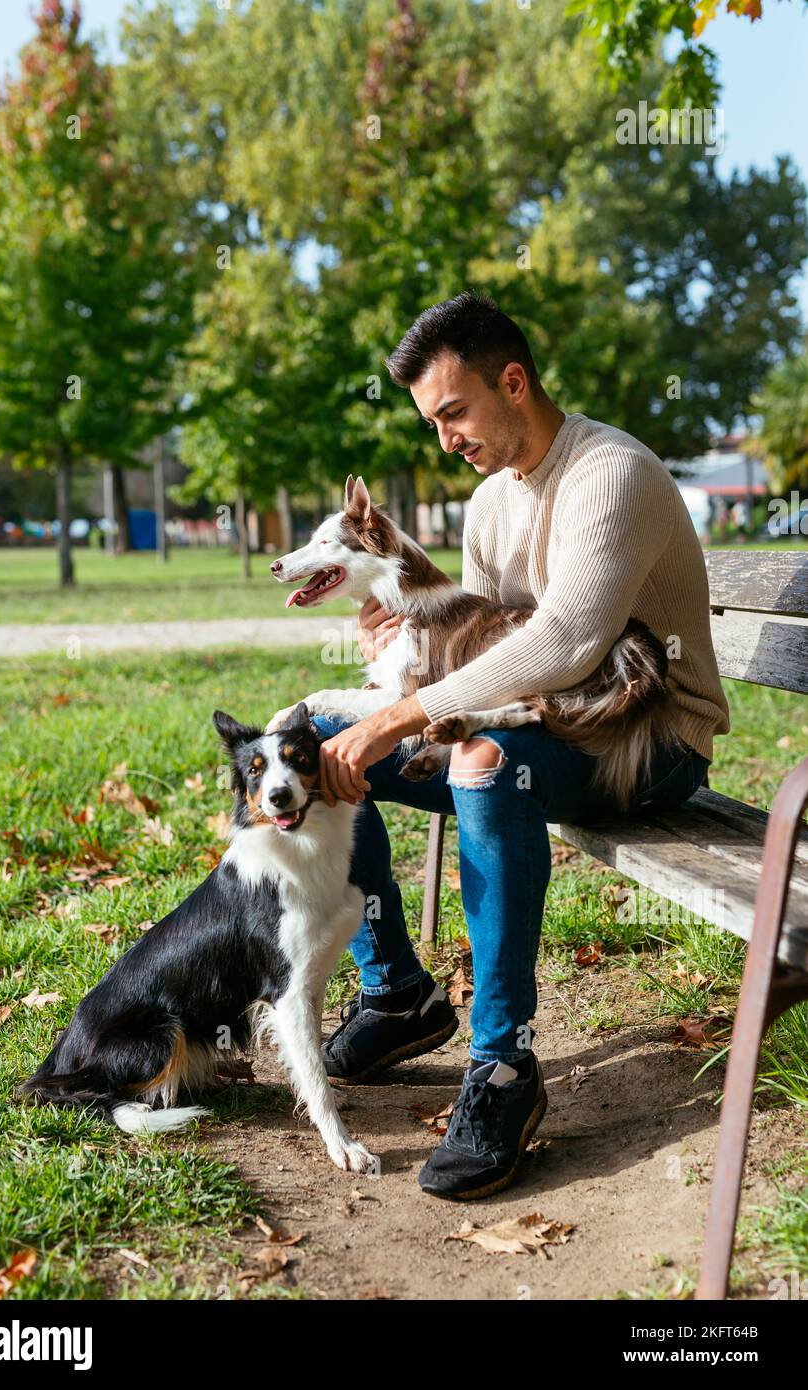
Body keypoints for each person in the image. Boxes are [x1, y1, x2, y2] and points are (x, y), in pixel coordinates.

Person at [312, 290, 730, 1201]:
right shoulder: (488, 505)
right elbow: (481, 645)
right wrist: (396, 651)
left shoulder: (609, 473)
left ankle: (501, 1066)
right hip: (543, 722)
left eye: (454, 413)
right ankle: (396, 993)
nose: (444, 439)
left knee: (480, 760)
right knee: (308, 740)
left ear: (514, 381)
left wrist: (398, 715)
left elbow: (567, 643)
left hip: (648, 738)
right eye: (431, 422)